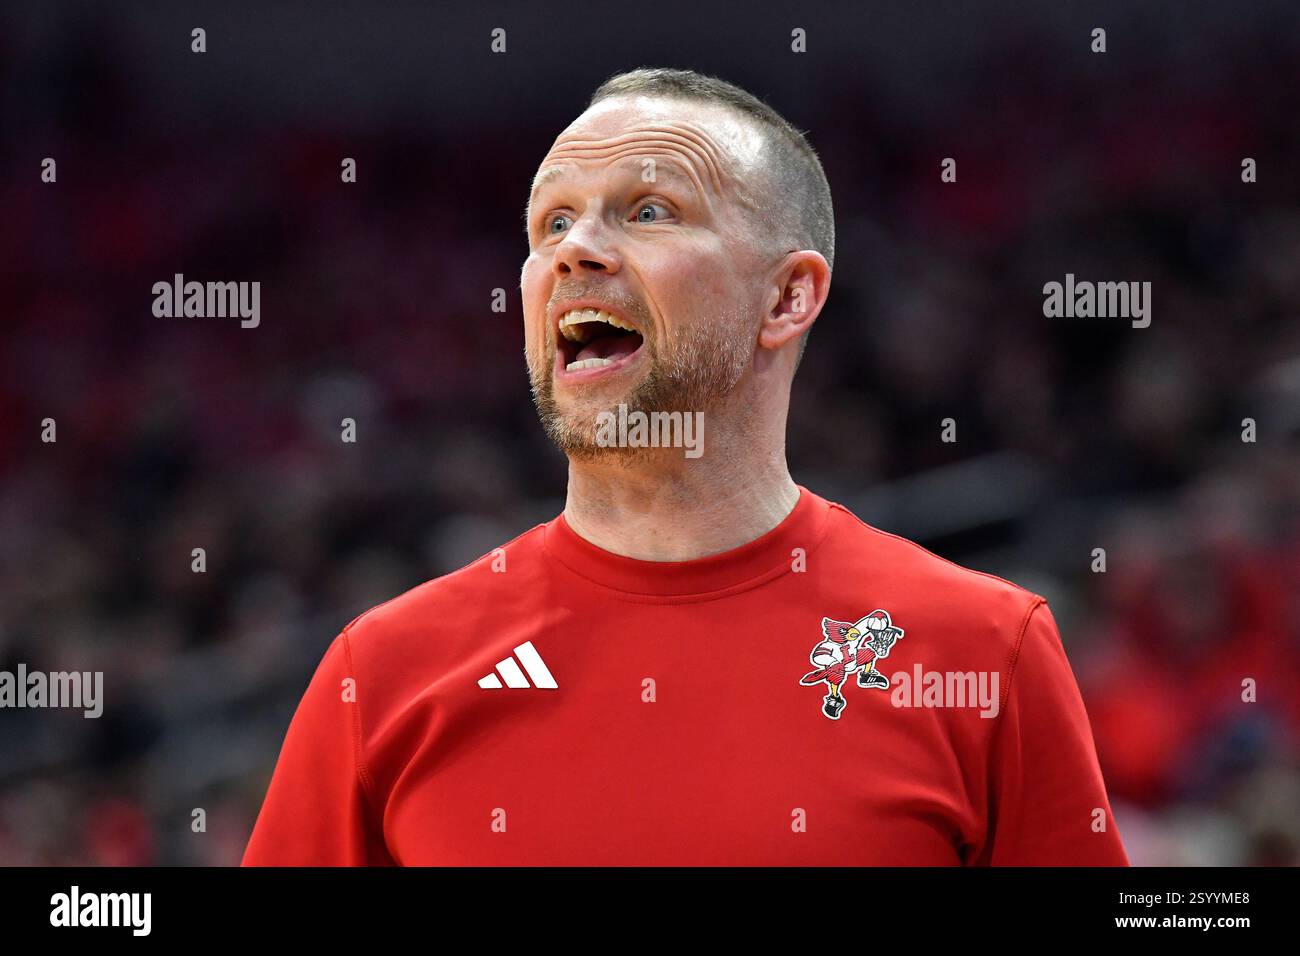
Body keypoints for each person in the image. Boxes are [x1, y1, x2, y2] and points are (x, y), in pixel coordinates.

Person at [242, 67, 1128, 866]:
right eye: (551, 221)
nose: (575, 250)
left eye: (648, 211)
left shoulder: (981, 650)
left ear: (787, 297)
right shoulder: (386, 673)